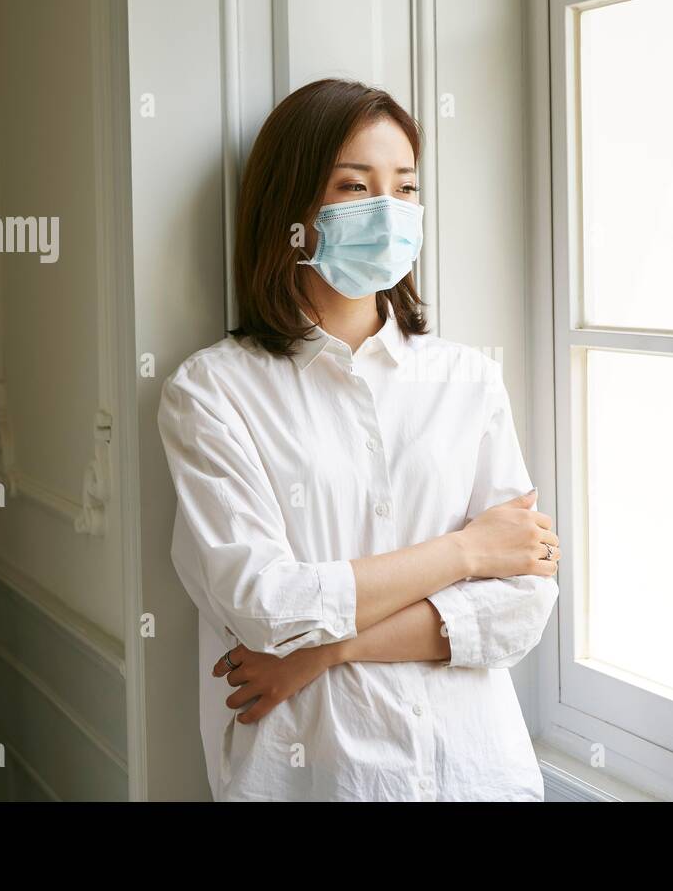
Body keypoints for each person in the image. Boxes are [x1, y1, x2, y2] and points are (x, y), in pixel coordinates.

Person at [156, 79, 559, 801]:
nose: (389, 210)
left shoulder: (468, 380)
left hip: (479, 773)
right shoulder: (211, 393)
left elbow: (521, 605)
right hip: (317, 777)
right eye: (354, 185)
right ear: (291, 209)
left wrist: (327, 650)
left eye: (405, 188)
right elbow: (267, 607)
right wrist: (465, 552)